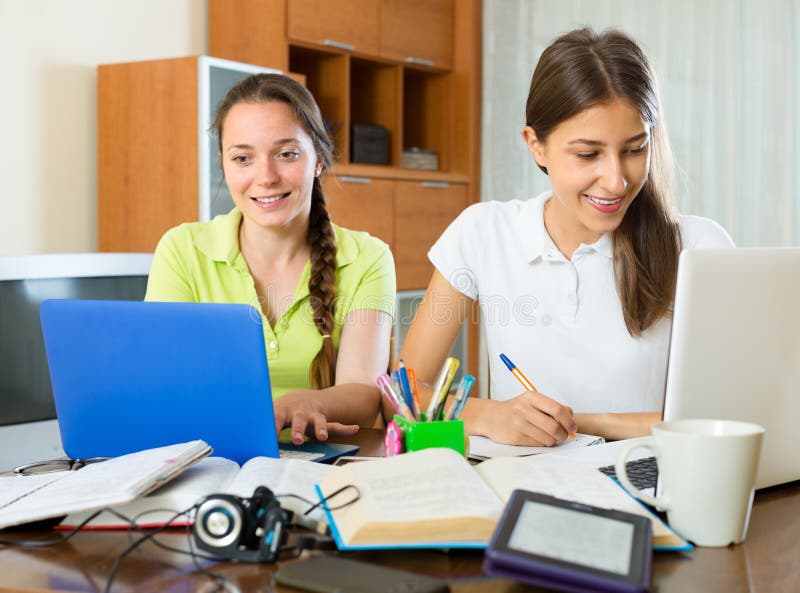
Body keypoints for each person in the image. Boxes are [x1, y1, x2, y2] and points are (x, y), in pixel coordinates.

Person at [399, 28, 734, 445]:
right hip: (524, 487)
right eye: (588, 154)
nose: (615, 180)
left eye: (634, 149)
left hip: (643, 481)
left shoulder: (699, 248)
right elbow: (402, 395)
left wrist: (587, 423)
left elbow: (725, 417)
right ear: (535, 145)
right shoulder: (483, 232)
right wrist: (486, 415)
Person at [146, 73, 395, 445]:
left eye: (287, 154)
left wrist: (306, 402)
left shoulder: (368, 257)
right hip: (208, 456)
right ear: (224, 164)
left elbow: (363, 395)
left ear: (318, 160)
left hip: (325, 462)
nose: (265, 177)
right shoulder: (181, 250)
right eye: (243, 158)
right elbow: (163, 382)